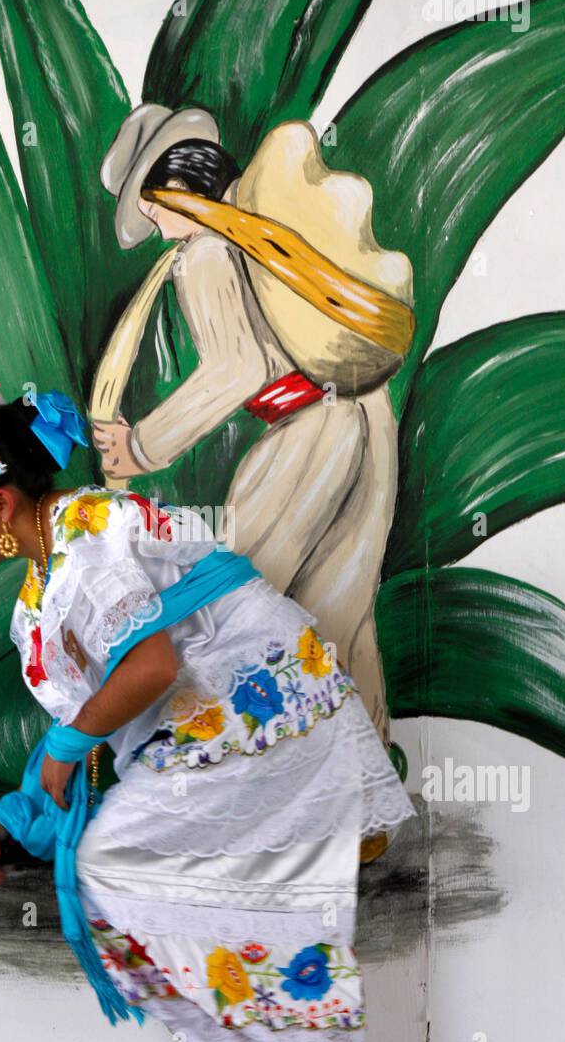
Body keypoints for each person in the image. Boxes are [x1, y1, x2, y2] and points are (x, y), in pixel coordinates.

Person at [0, 371, 417, 1042]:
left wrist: (66, 745)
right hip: (207, 725)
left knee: (110, 866)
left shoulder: (90, 541)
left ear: (0, 503)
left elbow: (149, 669)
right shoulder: (39, 594)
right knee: (113, 874)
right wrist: (19, 810)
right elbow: (85, 720)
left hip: (255, 700)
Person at [92, 105, 413, 745]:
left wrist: (142, 447)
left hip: (303, 436)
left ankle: (218, 784)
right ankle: (362, 803)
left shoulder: (206, 253)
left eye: (154, 210)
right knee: (340, 615)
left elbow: (234, 370)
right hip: (363, 417)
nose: (158, 231)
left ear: (175, 189)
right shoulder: (263, 234)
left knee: (234, 607)